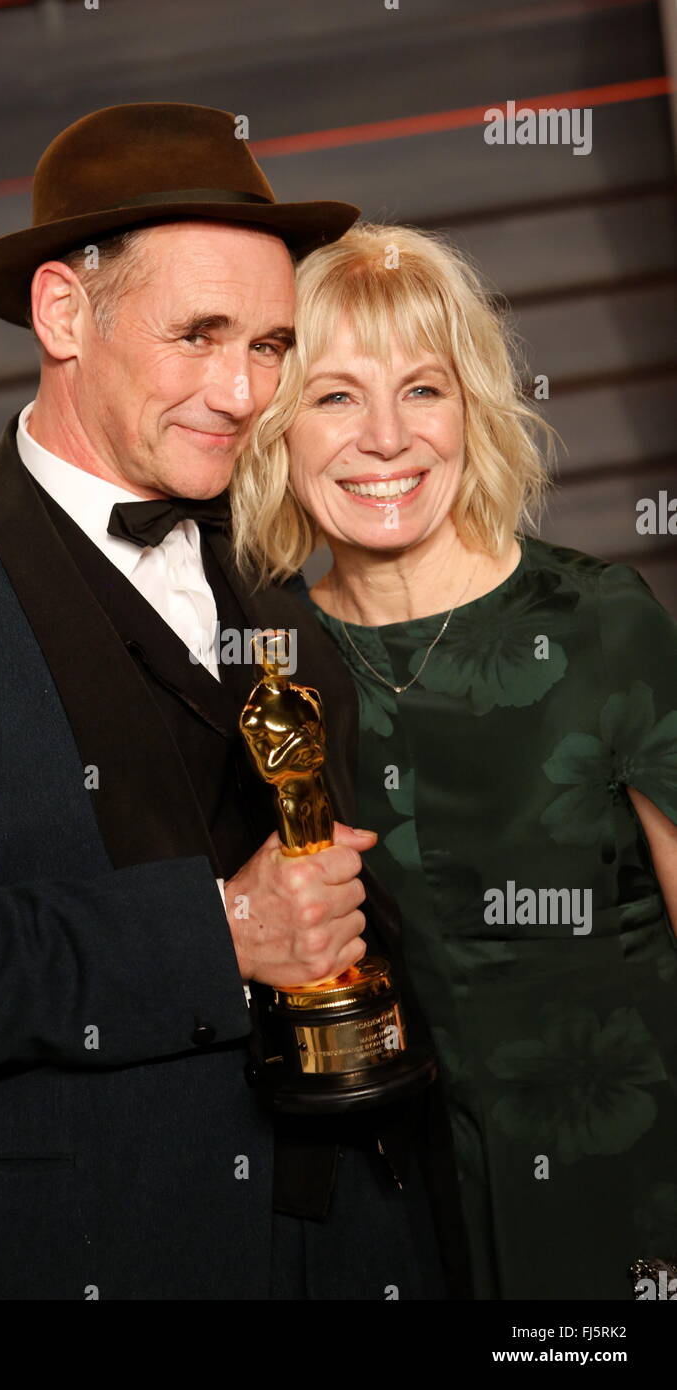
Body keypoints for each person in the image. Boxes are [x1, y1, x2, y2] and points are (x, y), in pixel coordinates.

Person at [0, 108, 470, 1300]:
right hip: (101, 1253)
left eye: (270, 344)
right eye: (200, 334)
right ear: (64, 313)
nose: (241, 389)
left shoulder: (273, 552)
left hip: (362, 1235)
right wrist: (220, 932)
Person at [230, 220, 677, 1300]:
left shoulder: (599, 621)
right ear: (276, 430)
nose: (386, 437)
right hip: (391, 1204)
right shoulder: (266, 663)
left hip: (631, 1172)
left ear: (473, 411)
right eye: (336, 396)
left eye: (422, 389)